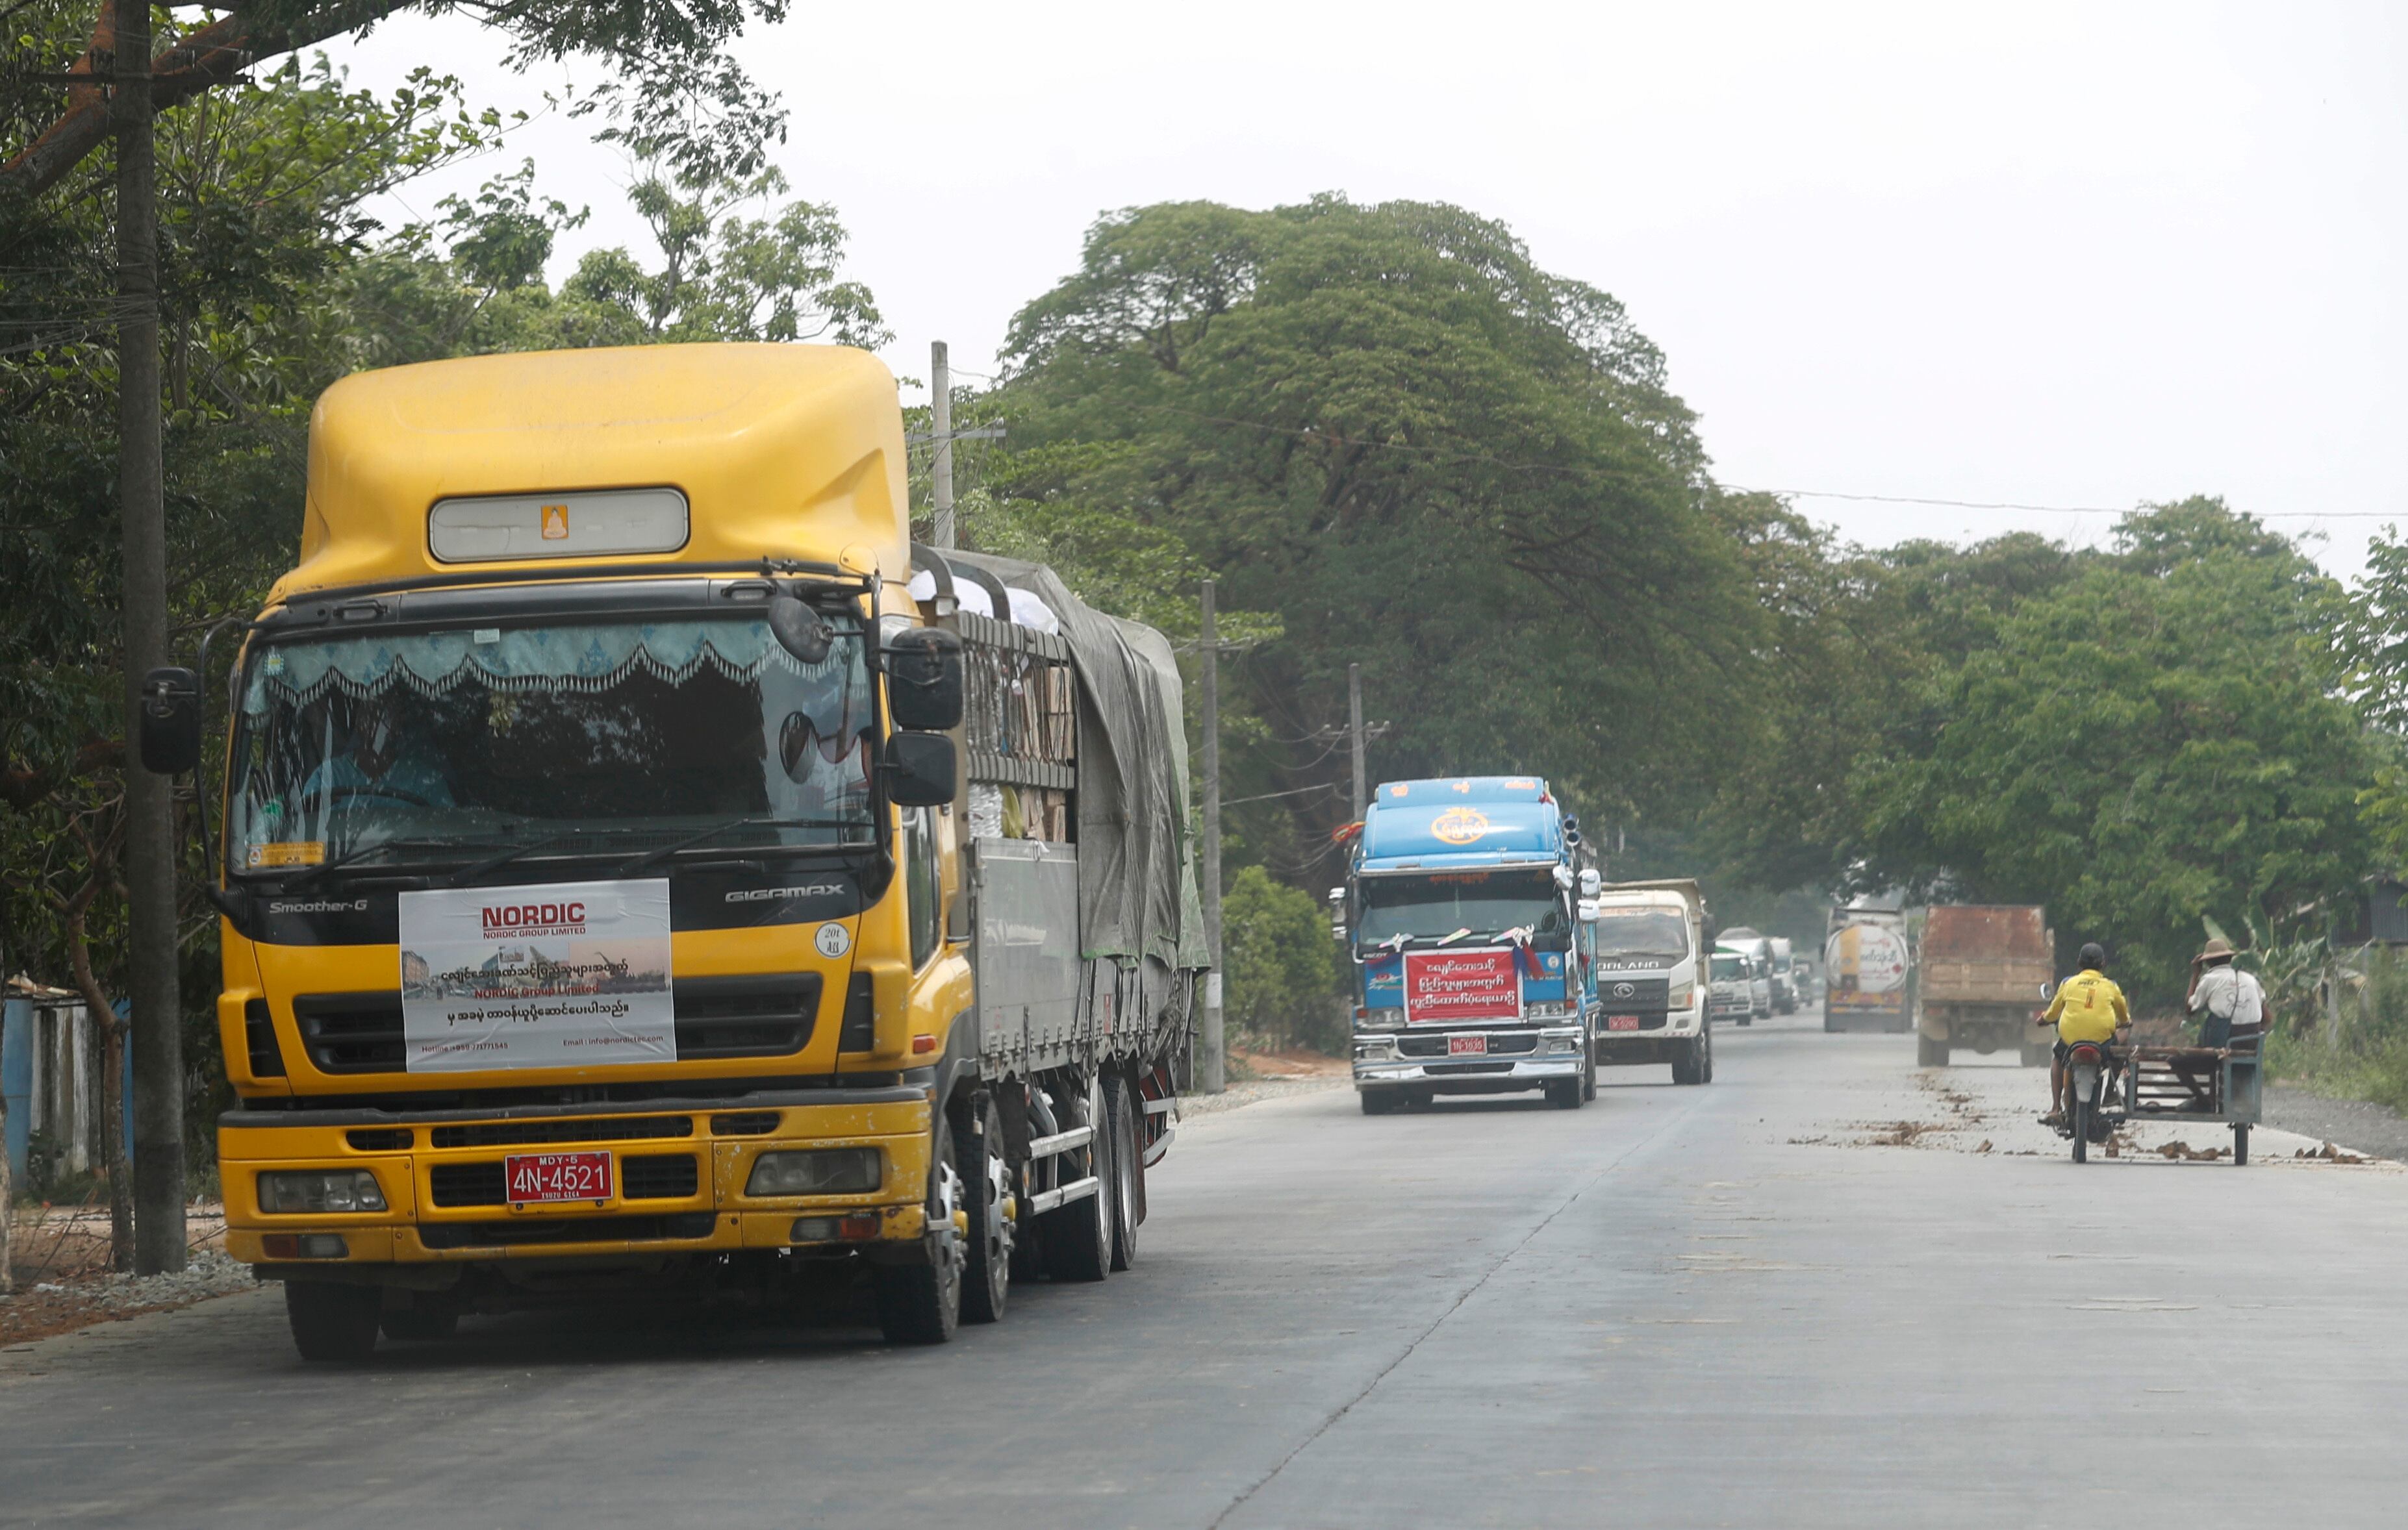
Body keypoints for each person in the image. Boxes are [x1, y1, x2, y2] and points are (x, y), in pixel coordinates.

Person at [2039, 942, 2129, 1125]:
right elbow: (2124, 1017)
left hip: (2071, 1042)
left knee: (2057, 1058)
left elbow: (2053, 1012)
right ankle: (2110, 1093)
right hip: (2102, 1043)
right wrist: (2125, 1022)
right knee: (2120, 1048)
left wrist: (2043, 1019)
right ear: (2103, 964)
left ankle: (2056, 1108)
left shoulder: (2067, 983)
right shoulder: (2111, 986)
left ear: (2079, 963)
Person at [2179, 936, 2268, 1110]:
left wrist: (2195, 974)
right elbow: (2268, 1018)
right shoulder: (2250, 979)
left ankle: (2204, 1101)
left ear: (2208, 962)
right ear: (2229, 959)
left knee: (2175, 1061)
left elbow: (2190, 1009)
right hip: (2251, 1044)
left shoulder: (2209, 979)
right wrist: (2253, 1034)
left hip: (2223, 1045)